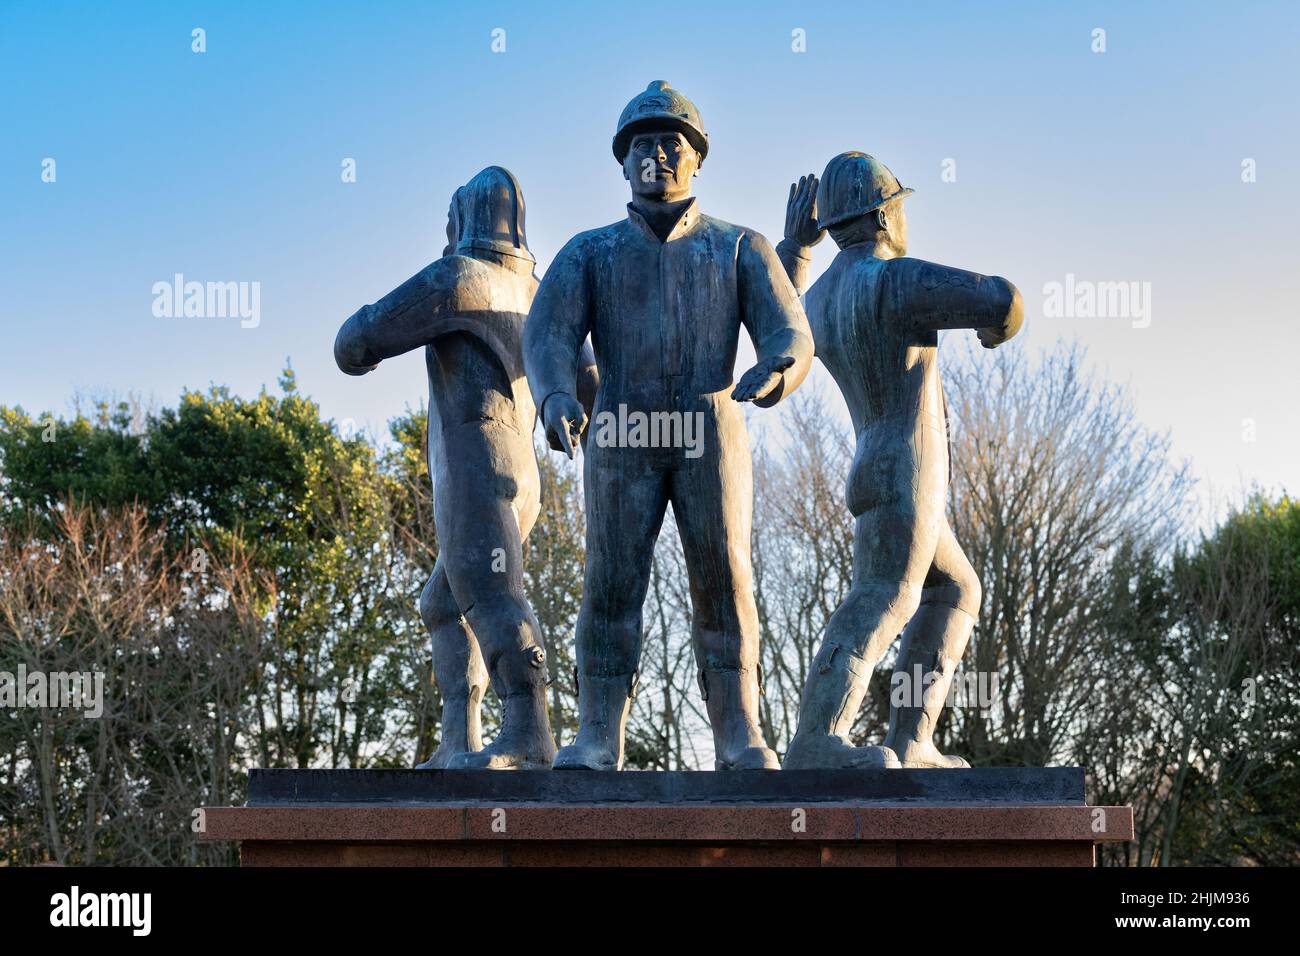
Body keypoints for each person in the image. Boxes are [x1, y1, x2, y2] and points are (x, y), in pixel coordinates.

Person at [524, 82, 814, 770]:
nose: (657, 155)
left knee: (725, 581)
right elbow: (548, 331)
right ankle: (597, 732)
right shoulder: (589, 252)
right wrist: (556, 394)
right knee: (610, 584)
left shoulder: (740, 246)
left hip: (711, 431)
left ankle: (738, 730)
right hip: (620, 433)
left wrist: (778, 369)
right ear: (623, 163)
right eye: (642, 146)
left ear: (697, 159)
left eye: (671, 144)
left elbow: (790, 330)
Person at [335, 166, 596, 769]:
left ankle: (528, 731)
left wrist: (360, 343)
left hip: (474, 460)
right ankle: (461, 737)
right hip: (523, 473)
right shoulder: (542, 295)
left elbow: (358, 340)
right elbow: (590, 386)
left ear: (458, 222)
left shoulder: (459, 277)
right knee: (444, 603)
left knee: (491, 595)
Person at [776, 153, 1023, 769]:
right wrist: (996, 328)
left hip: (876, 465)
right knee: (886, 596)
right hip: (907, 471)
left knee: (956, 589)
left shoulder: (823, 298)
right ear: (886, 214)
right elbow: (1001, 300)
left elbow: (778, 324)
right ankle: (815, 739)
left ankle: (912, 739)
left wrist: (797, 253)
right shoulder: (894, 279)